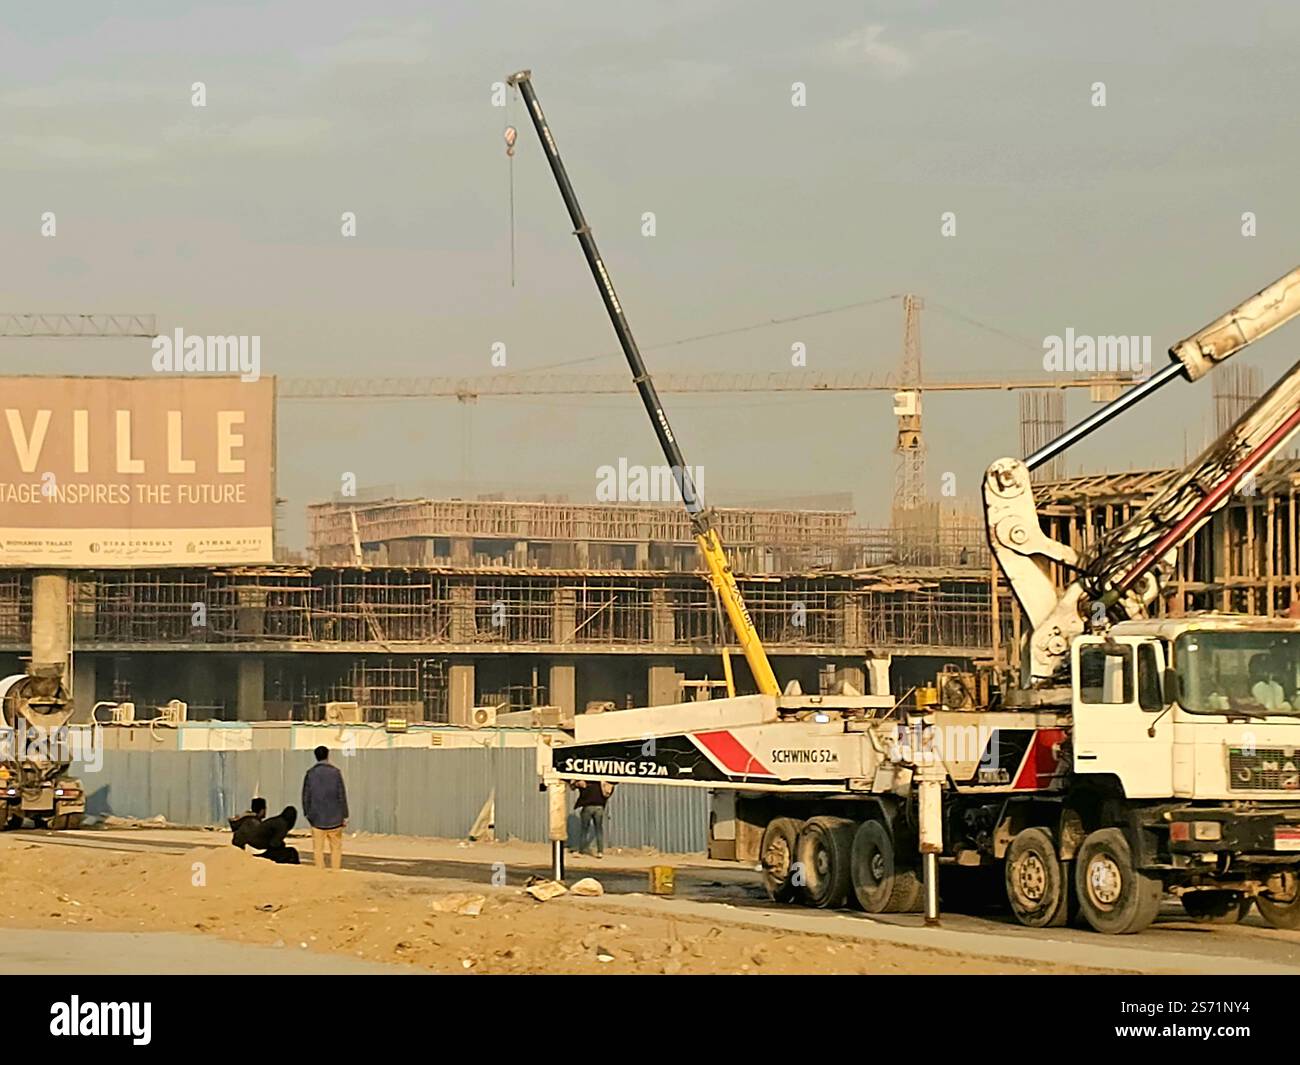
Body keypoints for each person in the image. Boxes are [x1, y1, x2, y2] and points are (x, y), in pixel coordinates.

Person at [302, 746, 349, 870]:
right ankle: (335, 871)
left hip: (316, 818)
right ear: (328, 755)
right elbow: (341, 795)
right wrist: (344, 815)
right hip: (335, 818)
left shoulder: (310, 773)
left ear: (315, 756)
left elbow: (306, 796)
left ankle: (320, 873)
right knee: (336, 848)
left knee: (318, 849)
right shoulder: (335, 772)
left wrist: (307, 813)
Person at [569, 778, 615, 858]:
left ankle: (581, 851)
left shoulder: (584, 780)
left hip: (588, 807)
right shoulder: (602, 781)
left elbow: (573, 786)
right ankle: (600, 852)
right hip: (599, 807)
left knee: (584, 830)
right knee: (599, 830)